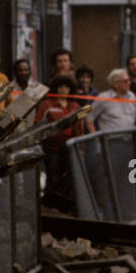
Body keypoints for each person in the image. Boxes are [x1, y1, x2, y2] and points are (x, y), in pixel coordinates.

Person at [35, 74, 90, 211]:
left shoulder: (75, 105)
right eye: (60, 86)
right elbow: (38, 123)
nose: (63, 89)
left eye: (66, 86)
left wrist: (79, 144)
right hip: (51, 147)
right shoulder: (47, 104)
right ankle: (51, 207)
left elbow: (79, 126)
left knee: (68, 177)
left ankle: (66, 207)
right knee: (53, 175)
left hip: (69, 148)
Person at [90, 68, 136, 133]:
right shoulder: (103, 98)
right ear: (116, 84)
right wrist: (96, 140)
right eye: (126, 81)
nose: (129, 83)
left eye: (129, 80)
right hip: (111, 141)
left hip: (131, 140)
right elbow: (89, 117)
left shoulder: (132, 96)